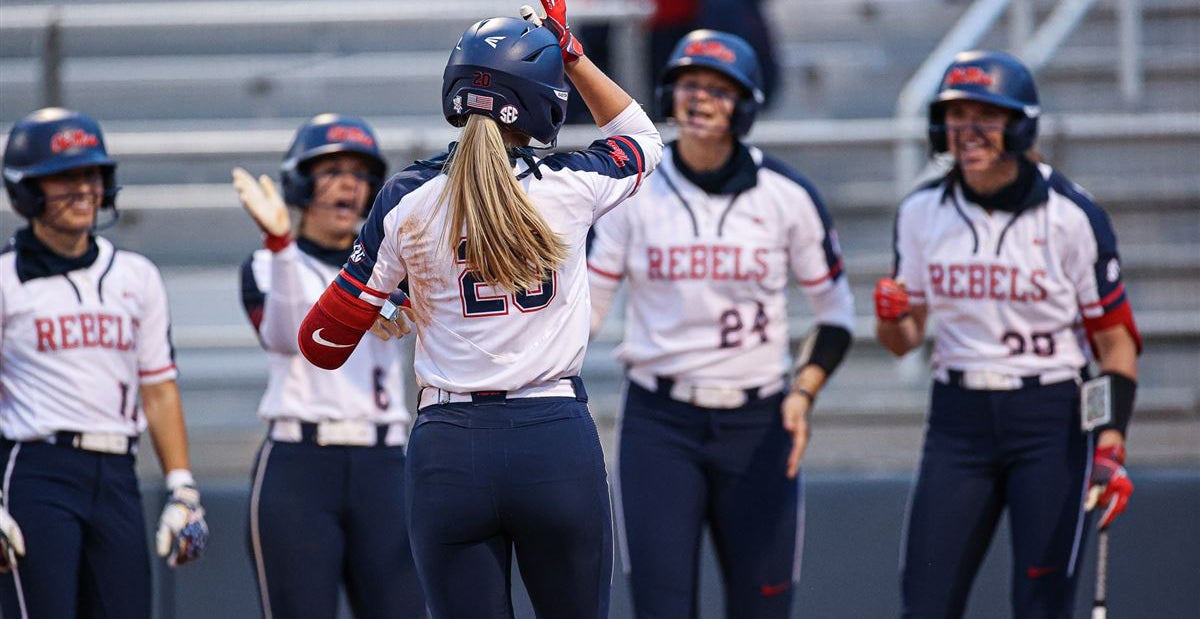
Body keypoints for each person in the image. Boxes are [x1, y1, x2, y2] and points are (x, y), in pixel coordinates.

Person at [295, 2, 662, 617]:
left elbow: (320, 344)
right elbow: (642, 137)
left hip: (450, 447)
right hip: (554, 439)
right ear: (543, 99)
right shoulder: (573, 182)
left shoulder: (405, 197)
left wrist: (400, 295)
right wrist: (570, 51)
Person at [587, 30, 855, 618]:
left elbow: (836, 315)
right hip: (660, 421)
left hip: (759, 420)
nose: (700, 98)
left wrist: (805, 391)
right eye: (689, 83)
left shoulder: (787, 194)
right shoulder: (633, 190)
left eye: (718, 88)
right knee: (662, 606)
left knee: (762, 606)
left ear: (747, 103)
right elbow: (585, 313)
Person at [874, 50, 1141, 619]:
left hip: (1050, 418)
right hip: (958, 418)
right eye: (955, 115)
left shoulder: (1072, 216)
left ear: (1018, 123)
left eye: (984, 116)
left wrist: (1112, 442)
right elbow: (904, 338)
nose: (966, 131)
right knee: (925, 600)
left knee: (1042, 603)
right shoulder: (921, 211)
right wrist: (891, 315)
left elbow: (1114, 342)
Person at [0, 107, 208, 618]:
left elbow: (158, 388)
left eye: (91, 174)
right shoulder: (5, 278)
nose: (84, 190)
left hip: (118, 471)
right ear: (27, 190)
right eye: (64, 177)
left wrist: (182, 485)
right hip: (34, 468)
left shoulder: (136, 276)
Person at [231, 114, 425, 619]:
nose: (349, 183)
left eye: (360, 173)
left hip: (383, 461)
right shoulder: (266, 263)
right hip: (300, 460)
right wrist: (279, 245)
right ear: (299, 182)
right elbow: (288, 336)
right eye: (331, 169)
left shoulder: (395, 266)